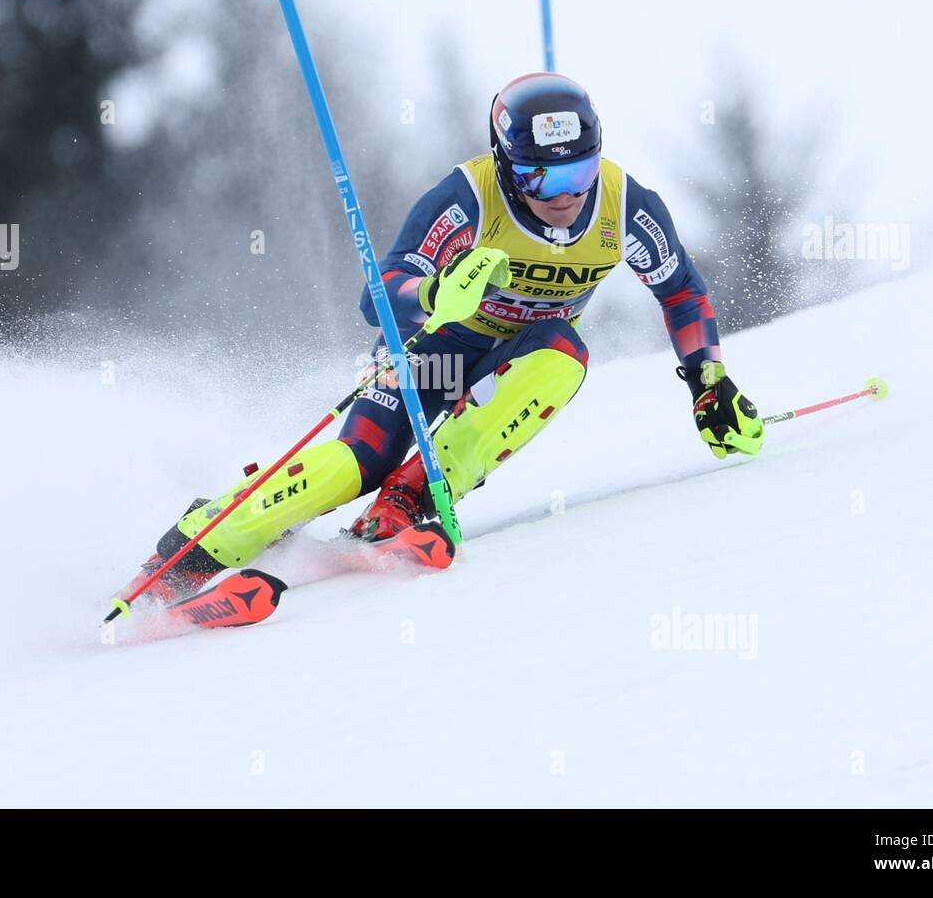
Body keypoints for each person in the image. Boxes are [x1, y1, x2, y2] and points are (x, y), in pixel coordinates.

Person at [143, 72, 764, 601]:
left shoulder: (624, 205)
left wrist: (709, 380)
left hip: (519, 359)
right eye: (541, 178)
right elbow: (378, 293)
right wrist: (436, 294)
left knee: (565, 357)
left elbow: (680, 290)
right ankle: (190, 554)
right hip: (433, 354)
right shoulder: (469, 196)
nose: (566, 195)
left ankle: (408, 502)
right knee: (349, 465)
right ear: (506, 165)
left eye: (579, 171)